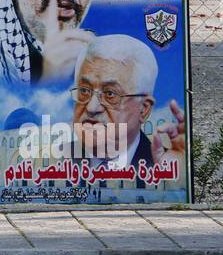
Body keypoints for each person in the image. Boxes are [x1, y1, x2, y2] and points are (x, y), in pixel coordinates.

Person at [68, 34, 185, 176]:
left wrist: (177, 177)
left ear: (144, 109)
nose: (91, 107)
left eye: (110, 94)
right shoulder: (52, 160)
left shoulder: (165, 164)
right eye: (84, 91)